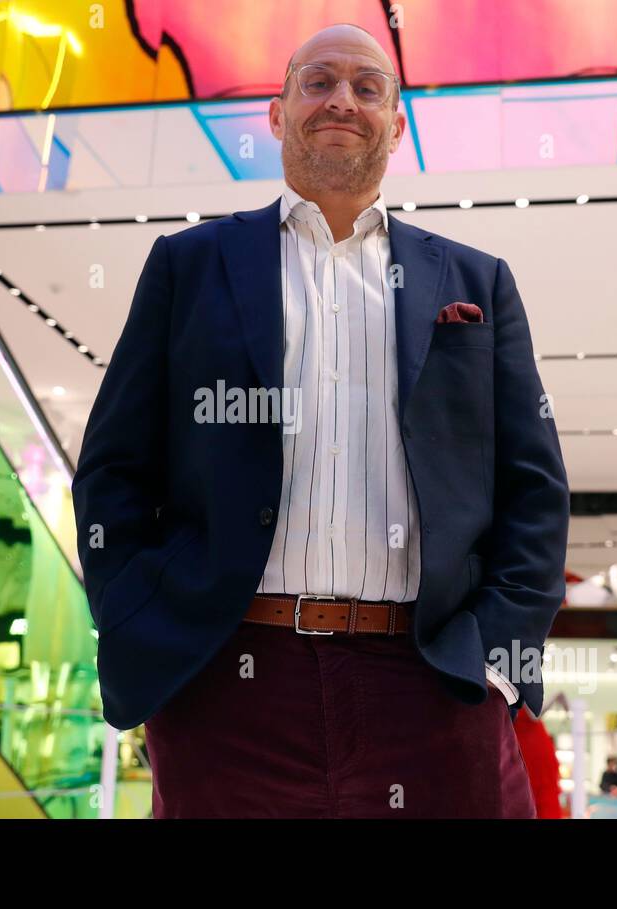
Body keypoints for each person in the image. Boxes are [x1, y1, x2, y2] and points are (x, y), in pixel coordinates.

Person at [73, 22, 569, 818]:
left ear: (397, 126)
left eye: (368, 87)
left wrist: (495, 665)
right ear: (276, 113)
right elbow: (113, 471)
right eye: (319, 81)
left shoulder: (479, 280)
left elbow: (534, 490)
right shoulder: (187, 267)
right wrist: (145, 626)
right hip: (227, 688)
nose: (343, 99)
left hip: (434, 685)